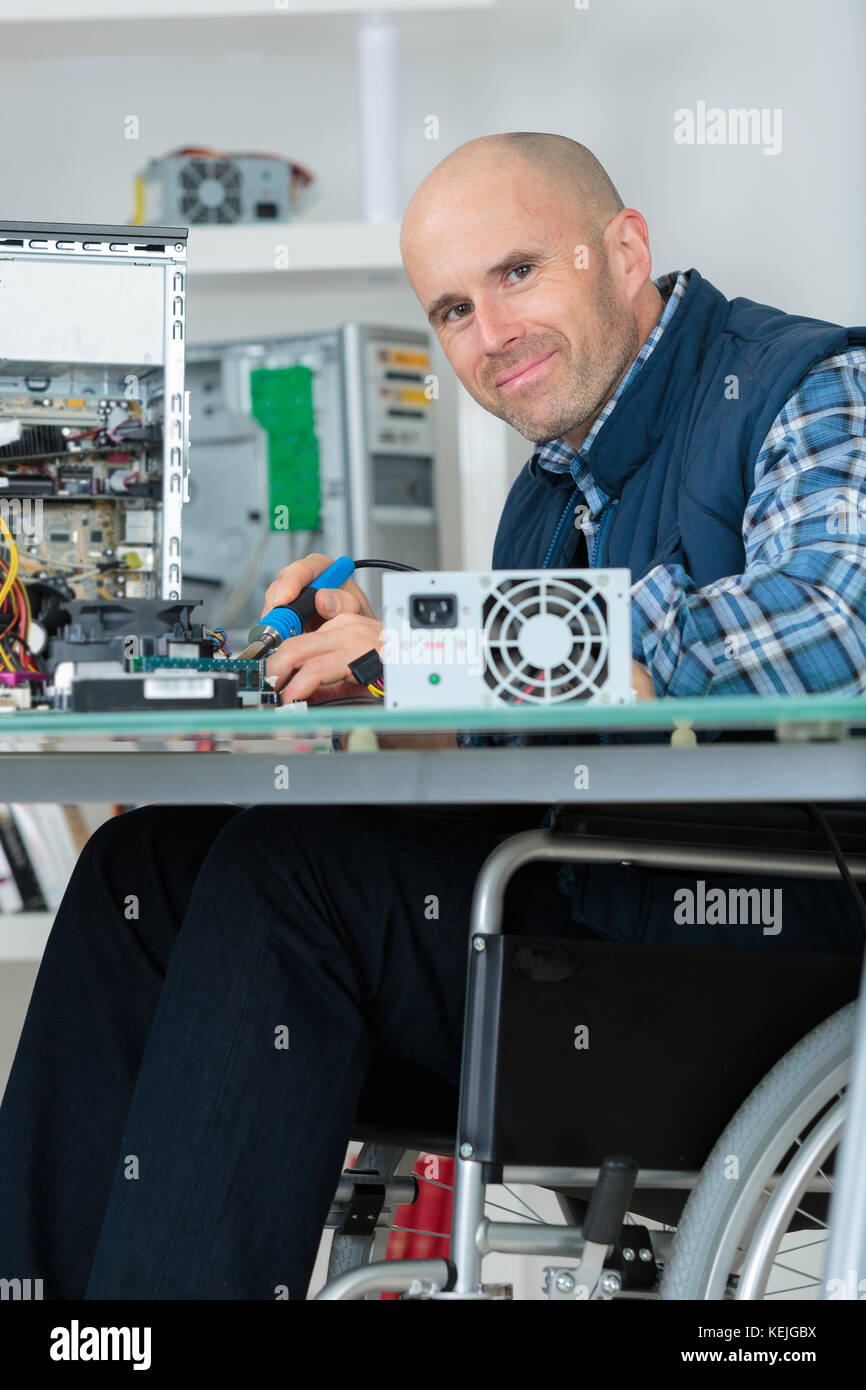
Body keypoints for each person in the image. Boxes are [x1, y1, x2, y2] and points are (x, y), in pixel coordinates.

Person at [1, 133, 864, 1300]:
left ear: (623, 251)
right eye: (452, 309)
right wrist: (380, 680)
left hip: (740, 952)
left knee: (288, 875)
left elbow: (827, 624)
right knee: (140, 870)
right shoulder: (545, 493)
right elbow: (518, 749)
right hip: (580, 917)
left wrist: (454, 643)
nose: (488, 333)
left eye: (516, 273)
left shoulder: (809, 385)